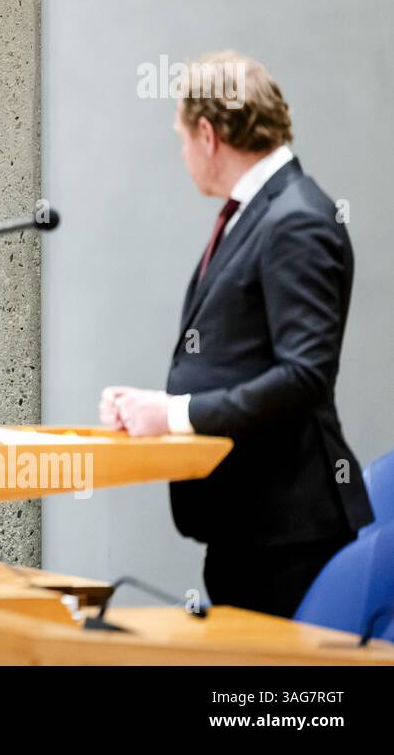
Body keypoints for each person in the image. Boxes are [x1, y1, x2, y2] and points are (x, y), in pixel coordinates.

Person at [99, 51, 373, 619]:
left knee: (277, 708)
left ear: (208, 134)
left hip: (291, 535)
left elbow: (304, 376)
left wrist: (174, 414)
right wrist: (153, 407)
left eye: (181, 138)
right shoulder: (258, 211)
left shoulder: (296, 218)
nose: (182, 155)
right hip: (250, 526)